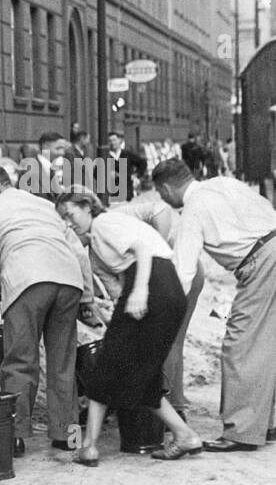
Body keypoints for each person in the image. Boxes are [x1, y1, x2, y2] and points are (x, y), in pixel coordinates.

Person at [55, 188, 200, 464]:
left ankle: (89, 447)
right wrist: (116, 312)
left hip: (152, 284)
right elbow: (117, 288)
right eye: (63, 218)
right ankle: (184, 435)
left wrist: (140, 292)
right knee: (142, 371)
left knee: (106, 364)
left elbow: (143, 250)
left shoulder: (104, 223)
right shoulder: (95, 246)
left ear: (88, 207)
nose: (68, 223)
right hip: (166, 293)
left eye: (70, 214)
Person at [0, 164, 96, 456]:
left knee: (20, 360)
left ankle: (15, 435)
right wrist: (87, 298)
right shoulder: (44, 204)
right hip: (68, 279)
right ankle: (66, 435)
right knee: (63, 361)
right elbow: (78, 250)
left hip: (27, 278)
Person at [153, 159, 276, 451]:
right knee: (267, 342)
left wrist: (162, 314)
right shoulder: (224, 183)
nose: (163, 200)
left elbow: (183, 274)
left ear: (168, 187)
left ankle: (240, 432)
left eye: (160, 193)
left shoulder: (192, 211)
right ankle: (267, 423)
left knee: (240, 346)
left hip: (261, 262)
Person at [112, 176, 204, 416]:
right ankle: (176, 401)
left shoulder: (113, 219)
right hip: (181, 269)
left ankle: (172, 408)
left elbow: (161, 210)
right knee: (174, 340)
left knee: (168, 341)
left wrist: (158, 251)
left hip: (179, 270)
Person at [103, 132, 146, 201]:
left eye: (114, 140)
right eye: (110, 141)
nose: (112, 143)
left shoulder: (127, 154)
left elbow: (142, 163)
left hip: (127, 190)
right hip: (111, 193)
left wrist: (136, 175)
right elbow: (96, 172)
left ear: (119, 141)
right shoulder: (105, 156)